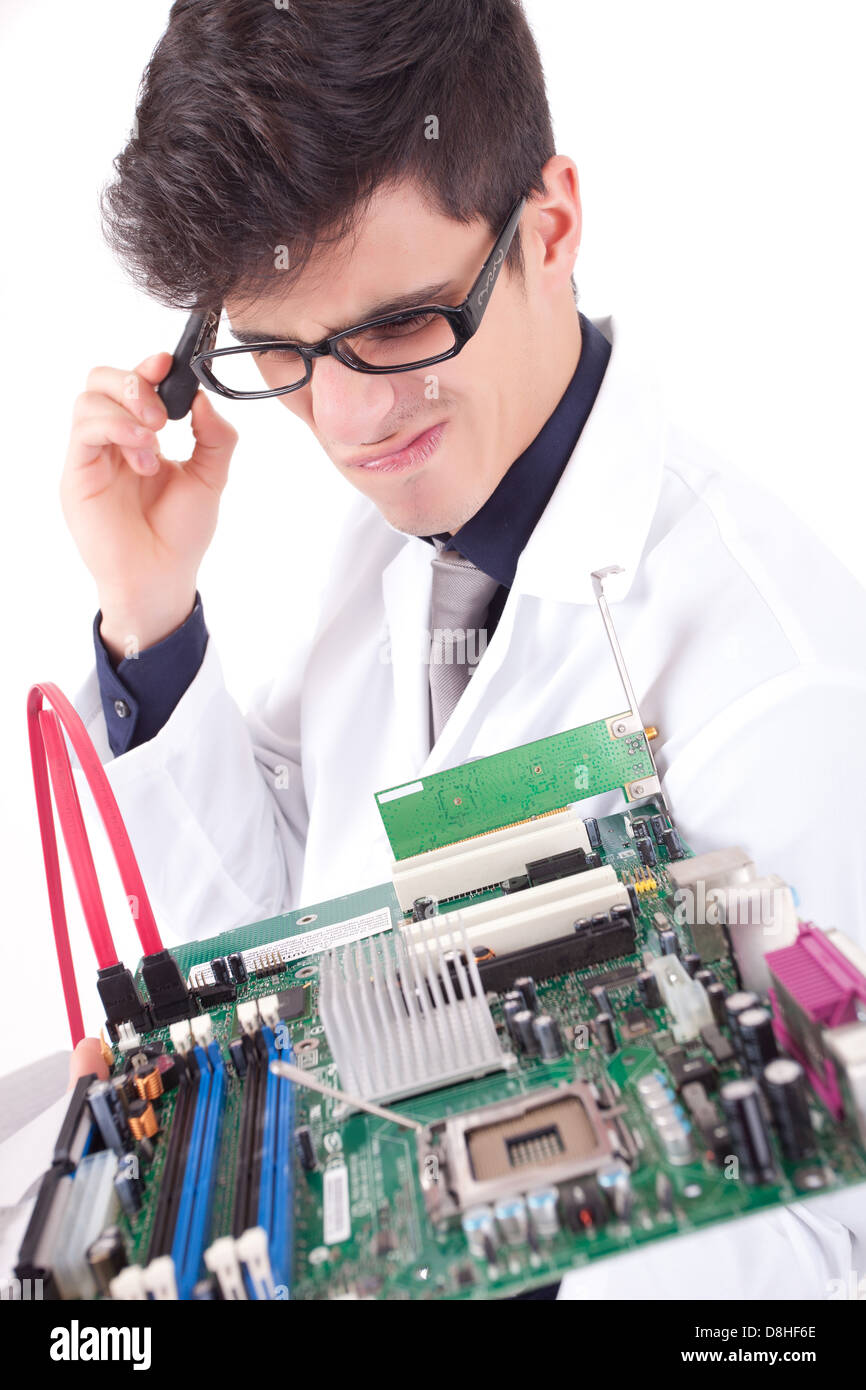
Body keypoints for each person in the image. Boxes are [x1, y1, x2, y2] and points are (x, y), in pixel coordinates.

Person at [61, 0, 866, 1299]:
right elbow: (282, 953)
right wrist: (148, 613)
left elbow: (825, 1239)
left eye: (399, 324)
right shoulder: (394, 537)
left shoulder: (787, 689)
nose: (350, 418)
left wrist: (506, 1229)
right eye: (280, 349)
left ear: (549, 227)